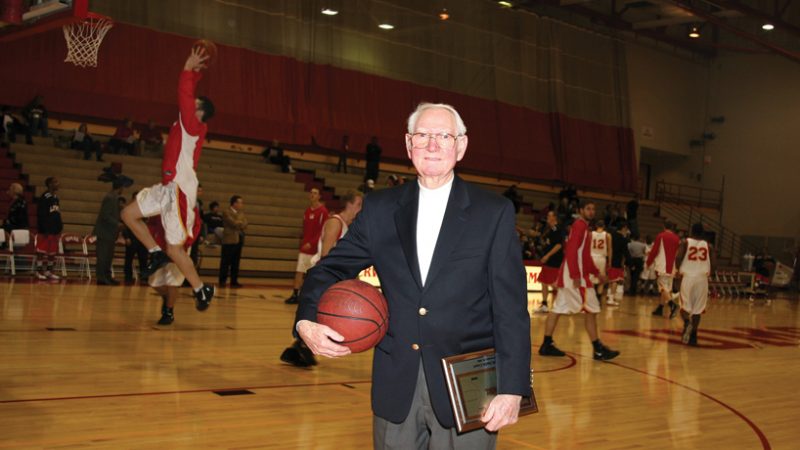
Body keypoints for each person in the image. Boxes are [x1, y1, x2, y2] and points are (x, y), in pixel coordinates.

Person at [295, 103, 531, 448]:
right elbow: (329, 268)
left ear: (461, 146)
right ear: (409, 145)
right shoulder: (380, 208)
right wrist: (305, 320)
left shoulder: (493, 212)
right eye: (422, 136)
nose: (432, 145)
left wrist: (512, 388)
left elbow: (511, 308)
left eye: (444, 136)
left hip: (469, 382)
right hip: (397, 381)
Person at [120, 47, 216, 311]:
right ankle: (154, 253)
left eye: (195, 103)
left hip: (179, 189)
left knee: (175, 249)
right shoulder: (188, 125)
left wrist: (187, 70)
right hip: (168, 187)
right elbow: (188, 98)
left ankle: (201, 289)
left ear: (199, 111)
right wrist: (196, 73)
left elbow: (184, 95)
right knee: (128, 214)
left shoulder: (193, 125)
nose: (189, 103)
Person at [281, 190, 364, 368]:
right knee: (321, 316)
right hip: (323, 277)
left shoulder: (349, 225)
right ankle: (301, 348)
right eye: (358, 204)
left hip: (333, 278)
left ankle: (297, 350)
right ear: (349, 203)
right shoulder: (335, 222)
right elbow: (326, 255)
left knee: (320, 317)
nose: (361, 207)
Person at [538, 200, 620, 361]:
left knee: (558, 308)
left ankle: (546, 344)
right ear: (581, 210)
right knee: (592, 309)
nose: (591, 211)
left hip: (572, 275)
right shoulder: (580, 226)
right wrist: (575, 275)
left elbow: (585, 256)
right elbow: (571, 251)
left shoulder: (584, 228)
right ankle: (598, 349)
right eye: (588, 208)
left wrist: (596, 272)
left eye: (593, 209)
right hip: (575, 277)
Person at [149, 209, 203, 326]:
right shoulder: (159, 203)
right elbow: (152, 223)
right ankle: (167, 297)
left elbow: (196, 225)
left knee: (172, 281)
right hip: (161, 245)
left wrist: (186, 242)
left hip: (179, 246)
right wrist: (153, 239)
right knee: (153, 281)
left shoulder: (189, 204)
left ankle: (168, 311)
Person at [285, 188, 328, 304]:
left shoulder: (323, 211)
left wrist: (311, 243)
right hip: (304, 247)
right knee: (299, 271)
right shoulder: (307, 211)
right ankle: (295, 294)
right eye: (311, 193)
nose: (312, 195)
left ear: (319, 196)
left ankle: (310, 296)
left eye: (315, 193)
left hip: (315, 249)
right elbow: (305, 229)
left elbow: (323, 231)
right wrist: (303, 240)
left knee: (312, 274)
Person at [676, 223, 714, 346]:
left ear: (691, 231)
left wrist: (677, 269)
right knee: (698, 310)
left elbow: (678, 257)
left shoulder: (685, 242)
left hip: (688, 277)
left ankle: (687, 323)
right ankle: (693, 337)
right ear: (702, 233)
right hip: (702, 279)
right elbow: (714, 264)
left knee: (684, 307)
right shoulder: (709, 246)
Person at [93, 178, 130, 285]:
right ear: (120, 187)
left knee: (108, 257)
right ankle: (101, 278)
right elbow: (105, 215)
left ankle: (107, 276)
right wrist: (117, 224)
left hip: (110, 233)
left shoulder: (114, 198)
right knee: (103, 256)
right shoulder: (109, 198)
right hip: (104, 232)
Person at [647, 221, 681, 318]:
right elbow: (677, 254)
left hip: (662, 266)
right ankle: (660, 308)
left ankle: (672, 305)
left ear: (664, 226)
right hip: (672, 267)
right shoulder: (677, 238)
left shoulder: (661, 236)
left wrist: (648, 262)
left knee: (662, 288)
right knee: (667, 289)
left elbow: (654, 251)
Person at [536, 210, 564, 313]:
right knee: (544, 281)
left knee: (554, 284)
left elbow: (559, 245)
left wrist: (547, 255)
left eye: (549, 215)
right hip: (548, 260)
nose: (547, 217)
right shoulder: (550, 229)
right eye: (547, 215)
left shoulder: (557, 229)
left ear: (554, 217)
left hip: (554, 260)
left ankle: (564, 302)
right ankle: (544, 304)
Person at [35, 177, 62, 280]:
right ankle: (38, 271)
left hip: (54, 230)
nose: (58, 184)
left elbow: (56, 213)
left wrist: (59, 226)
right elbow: (41, 214)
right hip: (45, 230)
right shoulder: (45, 197)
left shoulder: (55, 198)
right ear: (50, 184)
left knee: (52, 252)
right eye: (55, 182)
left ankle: (48, 271)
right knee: (41, 251)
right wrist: (44, 228)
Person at [219, 195, 248, 288]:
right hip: (229, 240)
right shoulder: (226, 212)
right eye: (240, 202)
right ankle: (222, 281)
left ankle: (234, 281)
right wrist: (239, 222)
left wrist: (239, 223)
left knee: (236, 262)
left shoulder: (241, 213)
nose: (241, 204)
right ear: (234, 203)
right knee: (225, 261)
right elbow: (233, 223)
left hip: (239, 239)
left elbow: (245, 223)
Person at [122, 192, 148, 284]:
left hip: (142, 238)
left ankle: (144, 277)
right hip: (131, 237)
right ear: (133, 199)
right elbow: (124, 226)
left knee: (143, 259)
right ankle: (128, 277)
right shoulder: (128, 210)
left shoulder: (145, 210)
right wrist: (126, 237)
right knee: (129, 259)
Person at [606, 222, 630, 306]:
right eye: (626, 229)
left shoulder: (611, 235)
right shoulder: (623, 239)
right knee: (615, 280)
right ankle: (611, 299)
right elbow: (626, 252)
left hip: (608, 259)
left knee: (610, 279)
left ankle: (608, 295)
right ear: (623, 228)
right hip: (617, 261)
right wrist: (629, 262)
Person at [590, 220, 611, 298]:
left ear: (596, 226)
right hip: (602, 258)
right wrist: (610, 261)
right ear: (604, 226)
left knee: (591, 279)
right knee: (601, 280)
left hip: (592, 258)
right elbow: (609, 249)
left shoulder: (590, 234)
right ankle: (598, 298)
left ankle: (591, 298)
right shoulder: (607, 235)